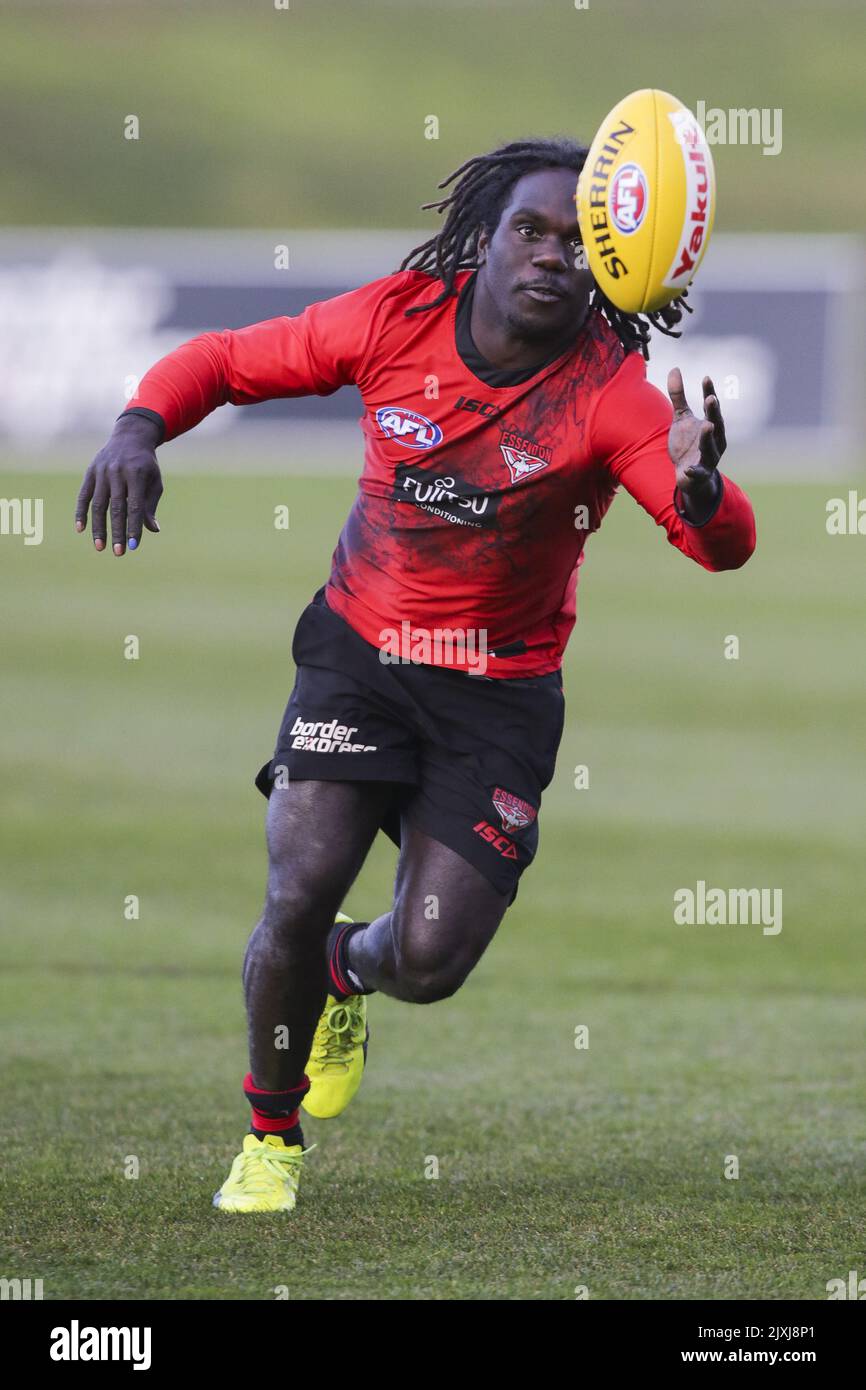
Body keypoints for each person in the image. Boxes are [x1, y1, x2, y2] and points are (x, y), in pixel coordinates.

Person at [74, 137, 756, 1213]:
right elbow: (221, 359)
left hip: (497, 693)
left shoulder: (608, 393)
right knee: (296, 889)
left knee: (429, 960)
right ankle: (270, 1134)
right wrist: (136, 428)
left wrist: (706, 494)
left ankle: (346, 973)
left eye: (578, 244)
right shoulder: (396, 317)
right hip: (360, 657)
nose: (548, 257)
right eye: (527, 231)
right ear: (483, 240)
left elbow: (716, 546)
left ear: (608, 269)